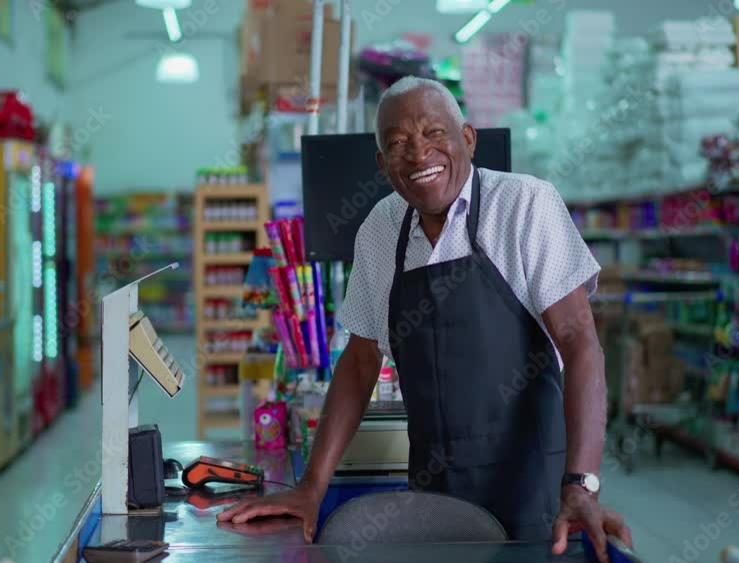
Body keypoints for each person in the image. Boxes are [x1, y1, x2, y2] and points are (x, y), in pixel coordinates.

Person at [218, 76, 633, 562]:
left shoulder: (524, 205)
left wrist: (582, 483)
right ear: (381, 162)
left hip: (537, 490)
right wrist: (311, 486)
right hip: (434, 492)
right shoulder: (380, 229)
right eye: (398, 143)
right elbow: (359, 360)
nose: (418, 154)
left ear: (469, 139)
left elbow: (579, 341)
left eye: (434, 133)